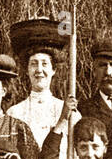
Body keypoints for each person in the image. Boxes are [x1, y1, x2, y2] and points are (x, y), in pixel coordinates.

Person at [7, 18, 68, 149]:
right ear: (27, 70)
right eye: (34, 64)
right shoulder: (14, 113)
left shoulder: (67, 110)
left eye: (45, 64)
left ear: (53, 70)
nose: (39, 70)